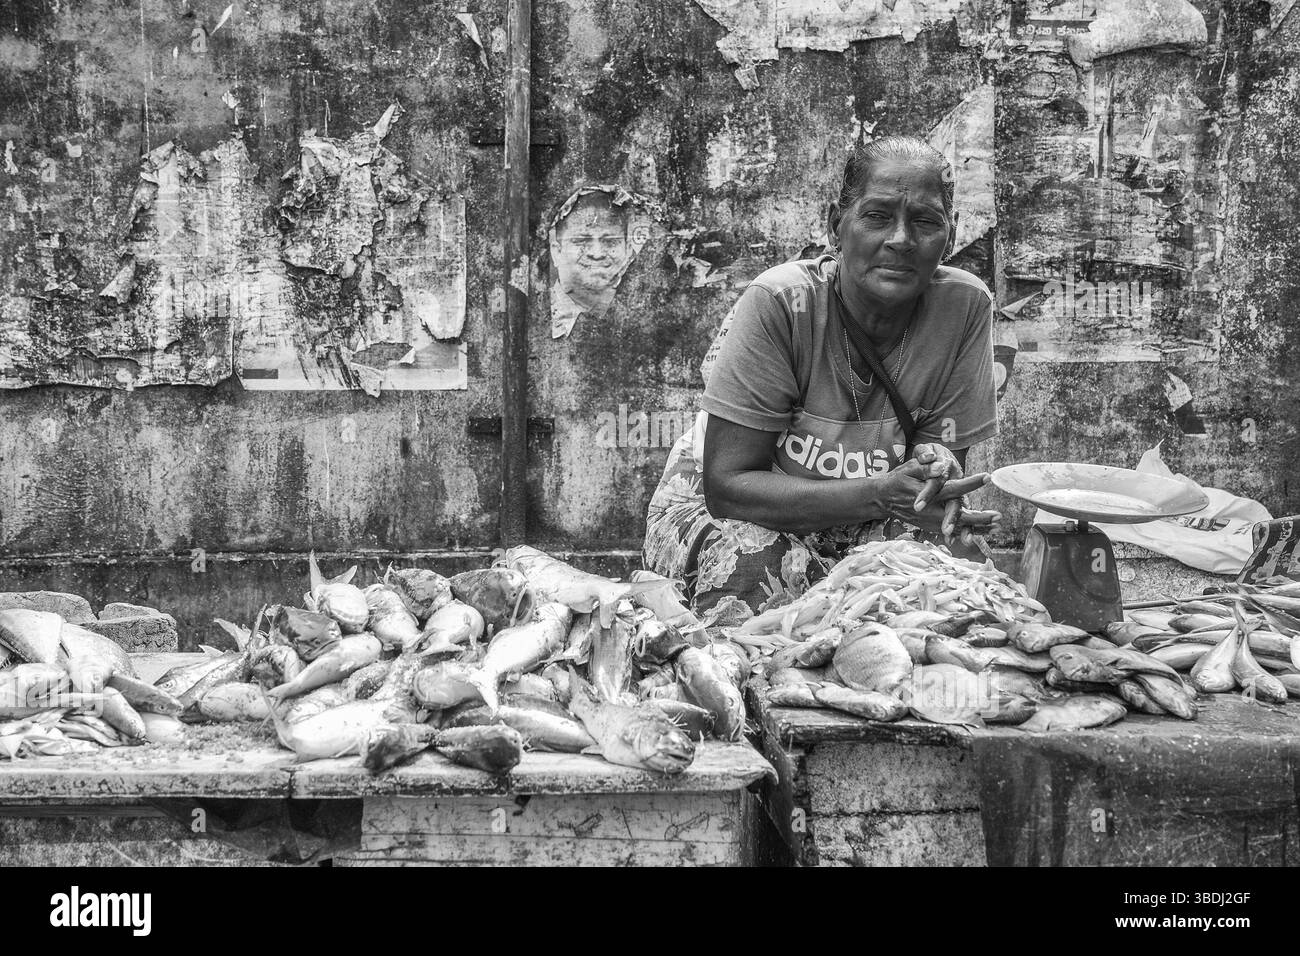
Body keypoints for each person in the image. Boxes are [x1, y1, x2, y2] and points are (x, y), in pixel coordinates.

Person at [644, 136, 1001, 614]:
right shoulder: (781, 302)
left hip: (863, 510)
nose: (901, 239)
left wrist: (934, 474)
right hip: (734, 511)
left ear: (950, 235)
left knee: (955, 581)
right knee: (761, 568)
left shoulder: (964, 307)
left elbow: (927, 479)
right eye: (877, 216)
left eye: (925, 221)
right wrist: (879, 493)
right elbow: (728, 487)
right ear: (838, 224)